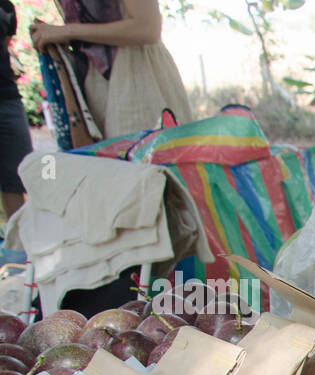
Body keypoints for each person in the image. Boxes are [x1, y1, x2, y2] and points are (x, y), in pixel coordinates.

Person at [30, 0, 192, 139]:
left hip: (136, 75)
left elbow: (147, 28)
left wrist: (66, 32)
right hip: (94, 85)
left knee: (144, 167)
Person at [0, 0, 32, 218]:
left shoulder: (5, 8)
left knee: (17, 176)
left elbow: (6, 44)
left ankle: (18, 246)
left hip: (7, 96)